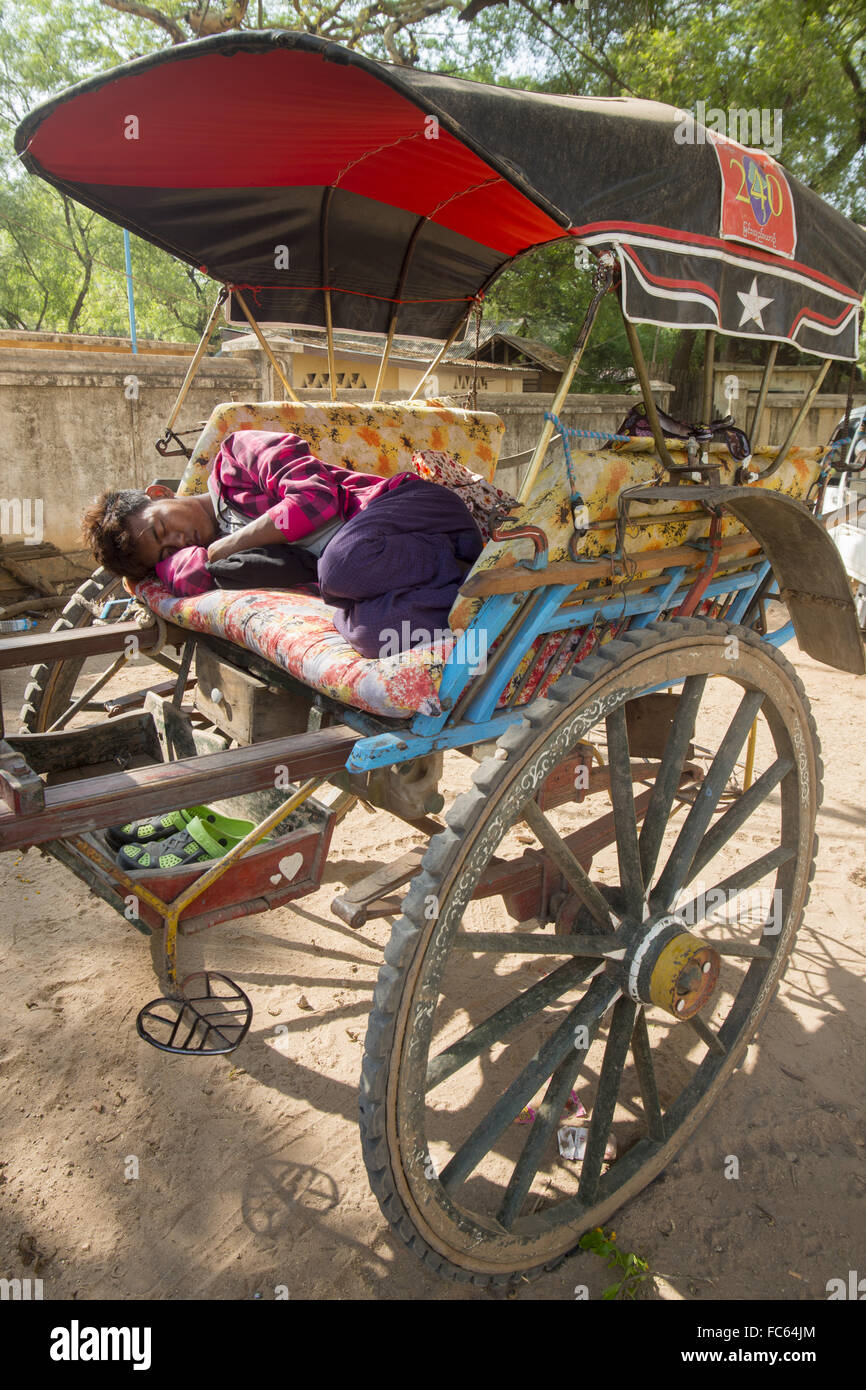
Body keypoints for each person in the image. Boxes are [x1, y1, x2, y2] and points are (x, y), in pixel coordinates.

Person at [81, 429, 483, 659]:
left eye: (159, 528)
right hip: (377, 568)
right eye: (167, 552)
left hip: (412, 511)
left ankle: (464, 561)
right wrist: (174, 564)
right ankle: (481, 606)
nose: (177, 540)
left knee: (338, 568)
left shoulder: (237, 458)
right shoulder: (225, 559)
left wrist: (226, 546)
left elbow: (317, 501)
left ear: (157, 493)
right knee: (368, 634)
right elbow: (188, 578)